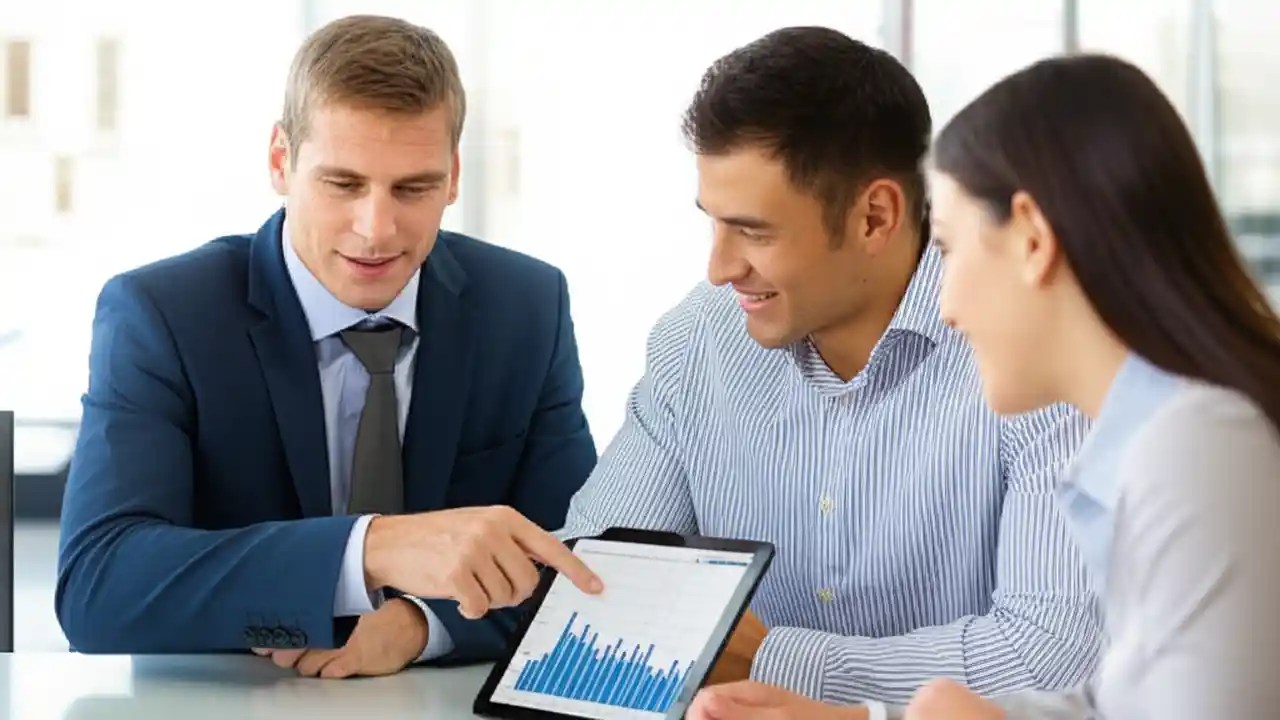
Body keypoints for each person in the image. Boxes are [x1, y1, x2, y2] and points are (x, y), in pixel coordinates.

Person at [687, 53, 1280, 720]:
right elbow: (1116, 707)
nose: (945, 305)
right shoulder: (1155, 443)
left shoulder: (1197, 446)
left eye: (947, 248)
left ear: (1031, 239)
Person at [558, 26, 1101, 711]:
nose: (720, 267)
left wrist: (773, 659)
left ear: (875, 217)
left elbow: (1051, 652)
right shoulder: (698, 338)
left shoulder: (1028, 347)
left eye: (754, 231)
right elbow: (596, 577)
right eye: (714, 224)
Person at [55, 14, 603, 678]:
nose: (376, 230)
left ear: (454, 176)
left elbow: (576, 565)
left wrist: (417, 626)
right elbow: (99, 588)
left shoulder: (526, 308)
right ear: (281, 161)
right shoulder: (164, 315)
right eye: (343, 184)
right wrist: (371, 551)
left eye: (414, 188)